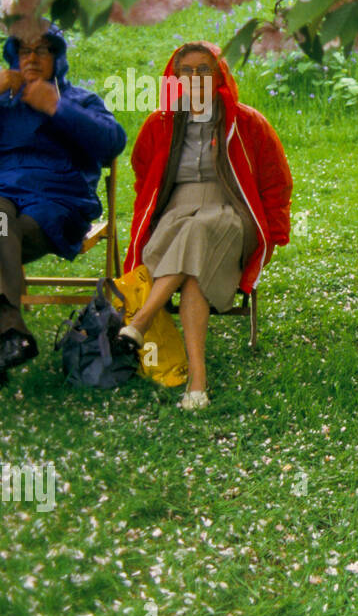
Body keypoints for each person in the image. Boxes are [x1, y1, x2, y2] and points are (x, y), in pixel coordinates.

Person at [0, 20, 126, 403]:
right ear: (13, 56)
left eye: (42, 50)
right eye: (24, 50)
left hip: (52, 211)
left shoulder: (80, 100)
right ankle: (12, 330)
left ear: (57, 57)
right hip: (1, 212)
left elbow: (112, 143)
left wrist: (57, 108)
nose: (32, 58)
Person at [121, 42, 291, 409]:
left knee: (198, 232)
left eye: (205, 70)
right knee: (195, 265)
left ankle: (142, 319)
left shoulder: (247, 123)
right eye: (187, 71)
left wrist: (275, 234)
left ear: (219, 77)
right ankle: (197, 385)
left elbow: (277, 182)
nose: (196, 79)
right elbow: (143, 176)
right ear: (175, 78)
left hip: (229, 212)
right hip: (177, 212)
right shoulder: (159, 124)